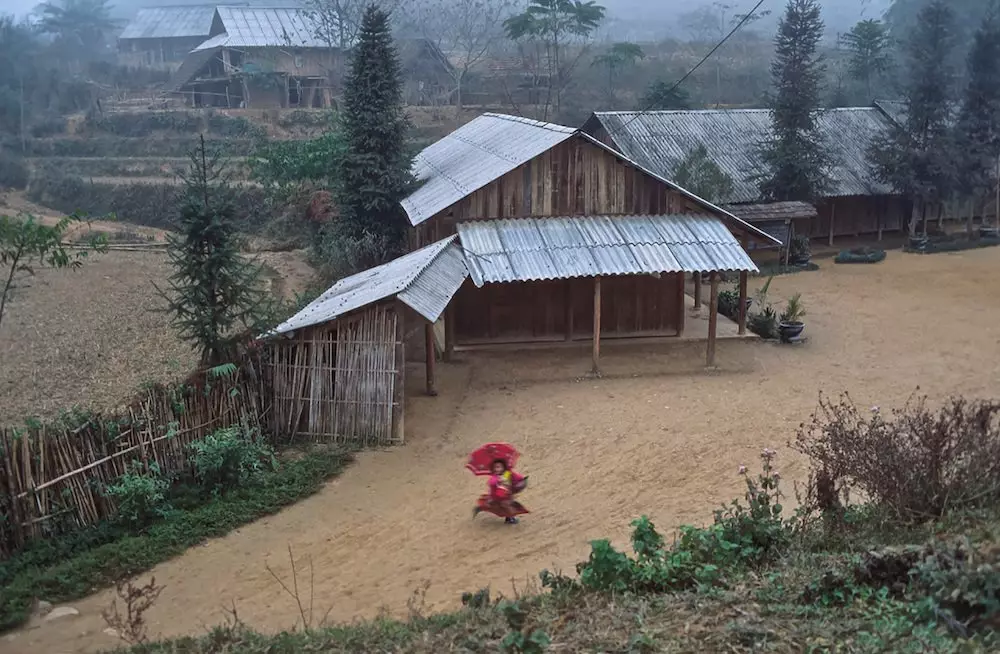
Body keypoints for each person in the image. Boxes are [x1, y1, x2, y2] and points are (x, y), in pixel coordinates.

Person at [488, 459, 524, 524]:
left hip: (507, 495)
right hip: (499, 497)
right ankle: (511, 518)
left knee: (508, 505)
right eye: (495, 467)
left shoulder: (507, 473)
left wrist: (520, 480)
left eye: (498, 467)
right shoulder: (495, 477)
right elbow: (492, 482)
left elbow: (517, 477)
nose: (497, 469)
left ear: (503, 467)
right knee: (507, 506)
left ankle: (508, 518)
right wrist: (498, 480)